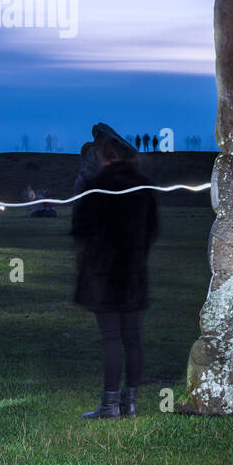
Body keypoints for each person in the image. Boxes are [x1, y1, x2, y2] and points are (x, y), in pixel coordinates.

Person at [71, 136, 159, 419]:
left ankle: (110, 405)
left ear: (104, 156)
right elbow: (152, 229)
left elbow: (80, 228)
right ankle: (129, 402)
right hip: (133, 271)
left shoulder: (95, 186)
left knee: (110, 337)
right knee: (132, 337)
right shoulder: (144, 186)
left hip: (103, 272)